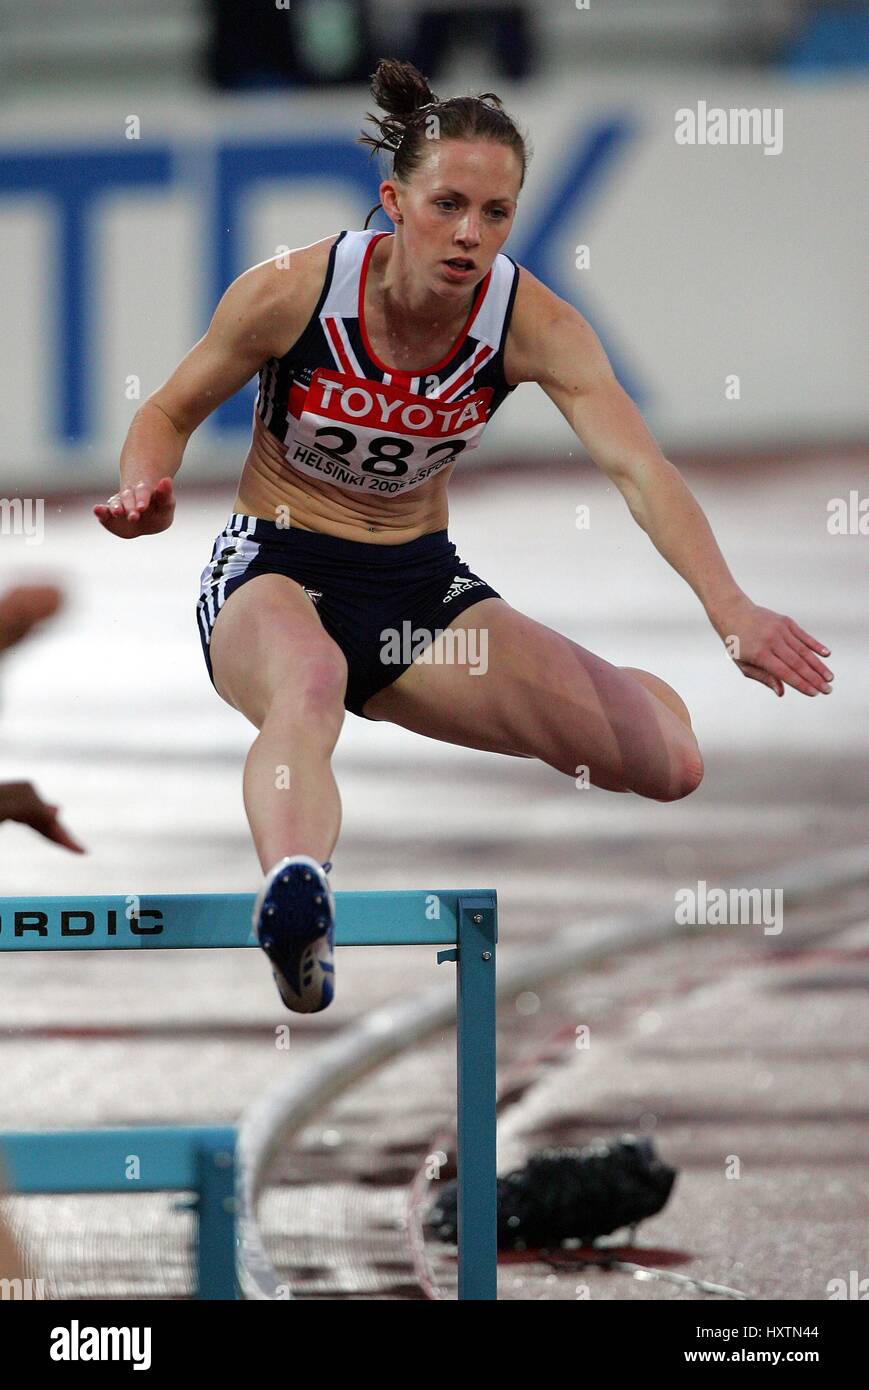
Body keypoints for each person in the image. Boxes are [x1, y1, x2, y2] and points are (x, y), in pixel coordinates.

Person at [93, 58, 833, 1017]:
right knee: (308, 686)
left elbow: (639, 470)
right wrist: (141, 489)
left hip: (417, 590)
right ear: (393, 201)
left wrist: (727, 609)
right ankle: (295, 908)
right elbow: (167, 410)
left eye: (496, 214)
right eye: (448, 206)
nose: (469, 237)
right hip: (273, 568)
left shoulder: (536, 324)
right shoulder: (291, 292)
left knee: (671, 763)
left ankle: (620, 695)